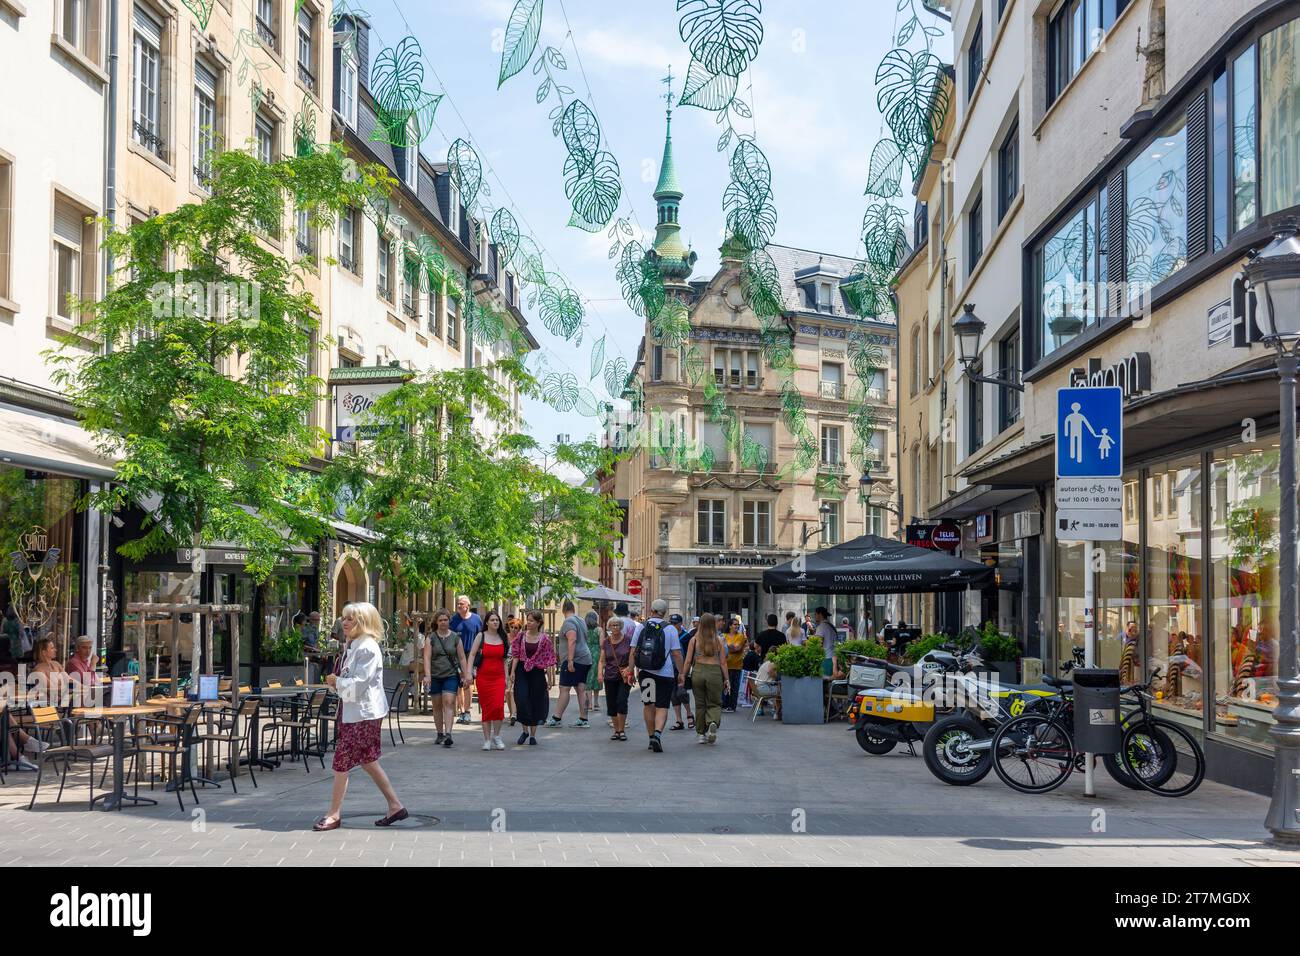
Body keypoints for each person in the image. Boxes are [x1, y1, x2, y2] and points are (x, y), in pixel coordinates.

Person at [315, 602, 406, 831]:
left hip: (362, 713)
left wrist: (337, 682)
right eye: (344, 618)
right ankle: (395, 806)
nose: (344, 623)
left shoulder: (366, 647)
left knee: (342, 762)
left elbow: (359, 685)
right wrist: (339, 682)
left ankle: (334, 814)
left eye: (350, 619)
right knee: (368, 760)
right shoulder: (355, 645)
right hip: (358, 712)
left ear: (363, 622)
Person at [634, 598, 684, 753]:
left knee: (648, 705)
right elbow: (676, 654)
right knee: (662, 706)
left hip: (646, 672)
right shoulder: (670, 629)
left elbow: (632, 650)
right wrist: (681, 673)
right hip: (666, 674)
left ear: (651, 611)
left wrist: (630, 671)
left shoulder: (641, 626)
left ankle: (650, 738)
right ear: (665, 613)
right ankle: (657, 734)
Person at [422, 609, 468, 748]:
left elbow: (461, 658)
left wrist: (465, 675)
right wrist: (427, 675)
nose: (443, 622)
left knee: (448, 702)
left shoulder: (455, 638)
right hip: (435, 675)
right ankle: (439, 733)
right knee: (437, 705)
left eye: (445, 620)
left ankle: (448, 734)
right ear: (436, 622)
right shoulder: (431, 638)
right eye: (440, 620)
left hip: (450, 675)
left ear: (449, 621)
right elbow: (427, 657)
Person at [466, 610, 510, 751]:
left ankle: (497, 736)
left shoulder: (503, 637)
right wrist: (468, 673)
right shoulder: (481, 636)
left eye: (497, 620)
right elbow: (472, 654)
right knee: (486, 708)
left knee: (498, 707)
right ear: (486, 622)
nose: (495, 622)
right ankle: (486, 740)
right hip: (483, 677)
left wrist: (507, 677)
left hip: (498, 677)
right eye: (492, 620)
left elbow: (504, 660)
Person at [509, 611, 555, 745]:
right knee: (522, 699)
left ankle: (533, 735)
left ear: (538, 623)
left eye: (531, 621)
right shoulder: (521, 636)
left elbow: (550, 659)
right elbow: (516, 655)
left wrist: (551, 679)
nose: (528, 623)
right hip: (522, 670)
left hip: (537, 672)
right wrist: (512, 672)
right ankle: (524, 731)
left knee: (535, 701)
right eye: (527, 620)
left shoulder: (545, 639)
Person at [683, 612, 728, 745]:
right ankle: (712, 722)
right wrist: (727, 679)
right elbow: (723, 662)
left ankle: (701, 734)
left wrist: (682, 675)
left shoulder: (694, 640)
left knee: (700, 704)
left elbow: (687, 661)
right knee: (714, 702)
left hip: (698, 671)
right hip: (714, 672)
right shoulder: (719, 640)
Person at [548, 600, 591, 727]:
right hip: (585, 658)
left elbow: (572, 639)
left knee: (564, 688)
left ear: (563, 610)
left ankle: (556, 718)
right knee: (581, 689)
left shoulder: (568, 622)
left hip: (575, 660)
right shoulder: (581, 620)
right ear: (573, 608)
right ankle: (583, 719)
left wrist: (570, 660)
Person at [597, 616, 634, 741]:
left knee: (622, 701)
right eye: (613, 625)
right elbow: (601, 660)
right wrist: (599, 674)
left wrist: (629, 668)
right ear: (609, 627)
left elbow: (633, 657)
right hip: (610, 676)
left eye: (617, 625)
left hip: (624, 676)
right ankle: (616, 730)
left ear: (621, 626)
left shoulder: (628, 640)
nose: (615, 627)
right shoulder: (606, 642)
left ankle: (622, 730)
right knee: (611, 704)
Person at [450, 595, 482, 724]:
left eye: (461, 603)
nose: (458, 605)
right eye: (457, 603)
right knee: (459, 682)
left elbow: (481, 636)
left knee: (468, 682)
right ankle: (461, 711)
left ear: (467, 605)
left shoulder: (476, 619)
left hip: (471, 654)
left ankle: (467, 711)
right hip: (456, 654)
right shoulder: (453, 620)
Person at [670, 613, 695, 731]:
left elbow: (691, 655)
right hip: (670, 669)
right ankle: (679, 720)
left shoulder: (686, 637)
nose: (673, 625)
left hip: (683, 668)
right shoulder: (668, 635)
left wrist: (687, 670)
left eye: (675, 623)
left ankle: (689, 714)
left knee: (681, 692)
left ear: (681, 623)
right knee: (673, 695)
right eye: (672, 623)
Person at [722, 618, 746, 712]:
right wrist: (730, 647)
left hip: (736, 665)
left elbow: (737, 648)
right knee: (725, 686)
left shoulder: (741, 636)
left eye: (737, 625)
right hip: (725, 665)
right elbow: (723, 649)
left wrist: (727, 646)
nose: (736, 626)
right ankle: (725, 704)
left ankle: (732, 706)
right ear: (730, 626)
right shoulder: (724, 635)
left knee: (734, 686)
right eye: (734, 624)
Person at [584, 610, 603, 715]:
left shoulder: (584, 629)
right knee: (596, 677)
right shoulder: (599, 629)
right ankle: (596, 703)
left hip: (586, 653)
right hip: (597, 654)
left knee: (588, 678)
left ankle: (589, 704)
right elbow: (601, 644)